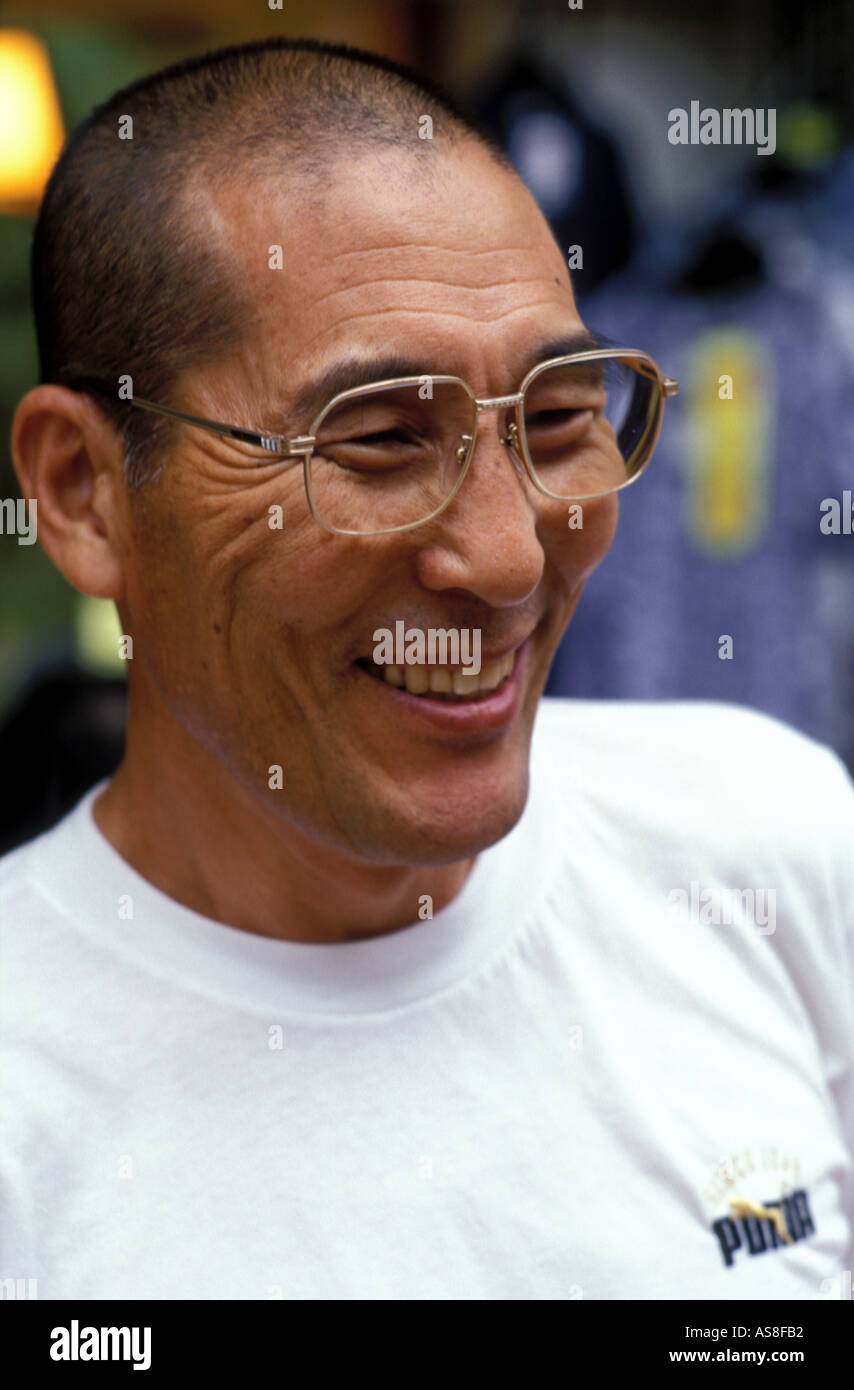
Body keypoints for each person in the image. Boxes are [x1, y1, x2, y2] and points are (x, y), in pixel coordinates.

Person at [1, 37, 851, 1302]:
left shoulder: (760, 842)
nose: (509, 560)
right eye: (380, 440)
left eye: (556, 417)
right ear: (84, 492)